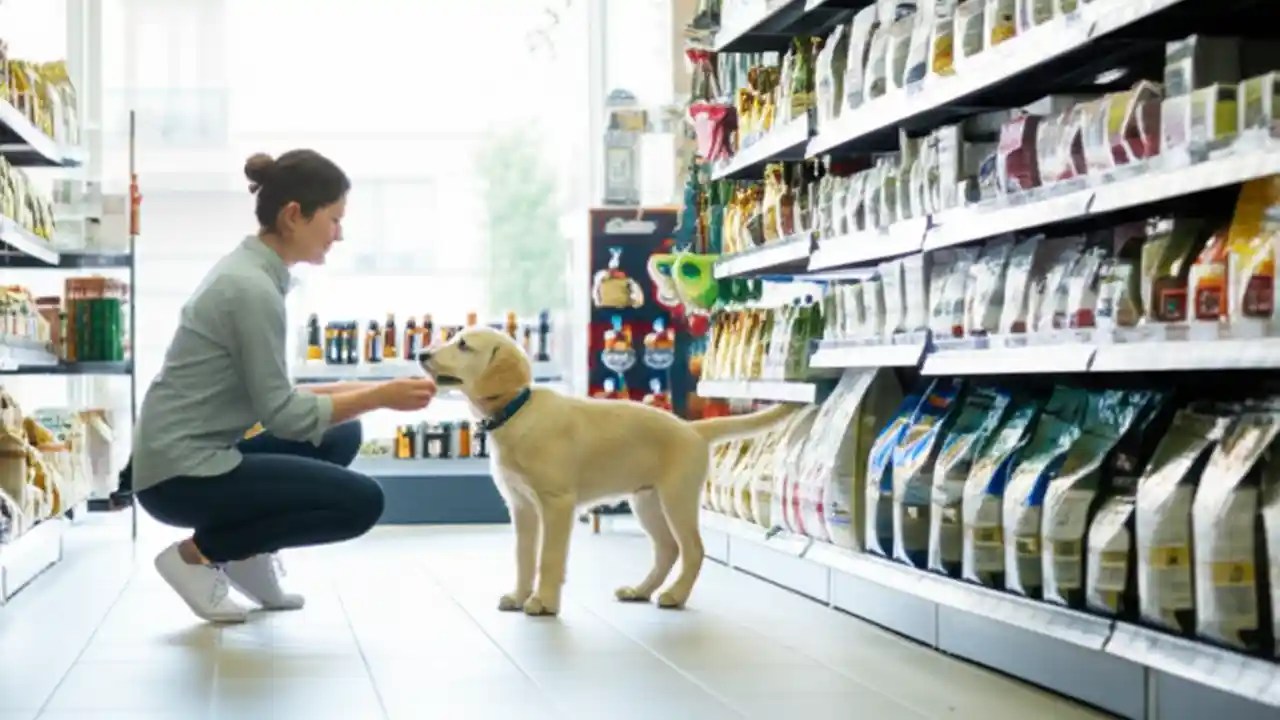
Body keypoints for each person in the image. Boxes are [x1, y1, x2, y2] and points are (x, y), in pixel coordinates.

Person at [127, 149, 438, 623]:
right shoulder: (250, 289)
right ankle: (198, 556)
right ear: (294, 215)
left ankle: (248, 555)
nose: (339, 234)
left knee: (341, 433)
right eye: (334, 220)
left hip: (193, 454)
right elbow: (286, 417)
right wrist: (379, 398)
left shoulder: (252, 273)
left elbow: (275, 395)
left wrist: (355, 388)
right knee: (361, 503)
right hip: (180, 477)